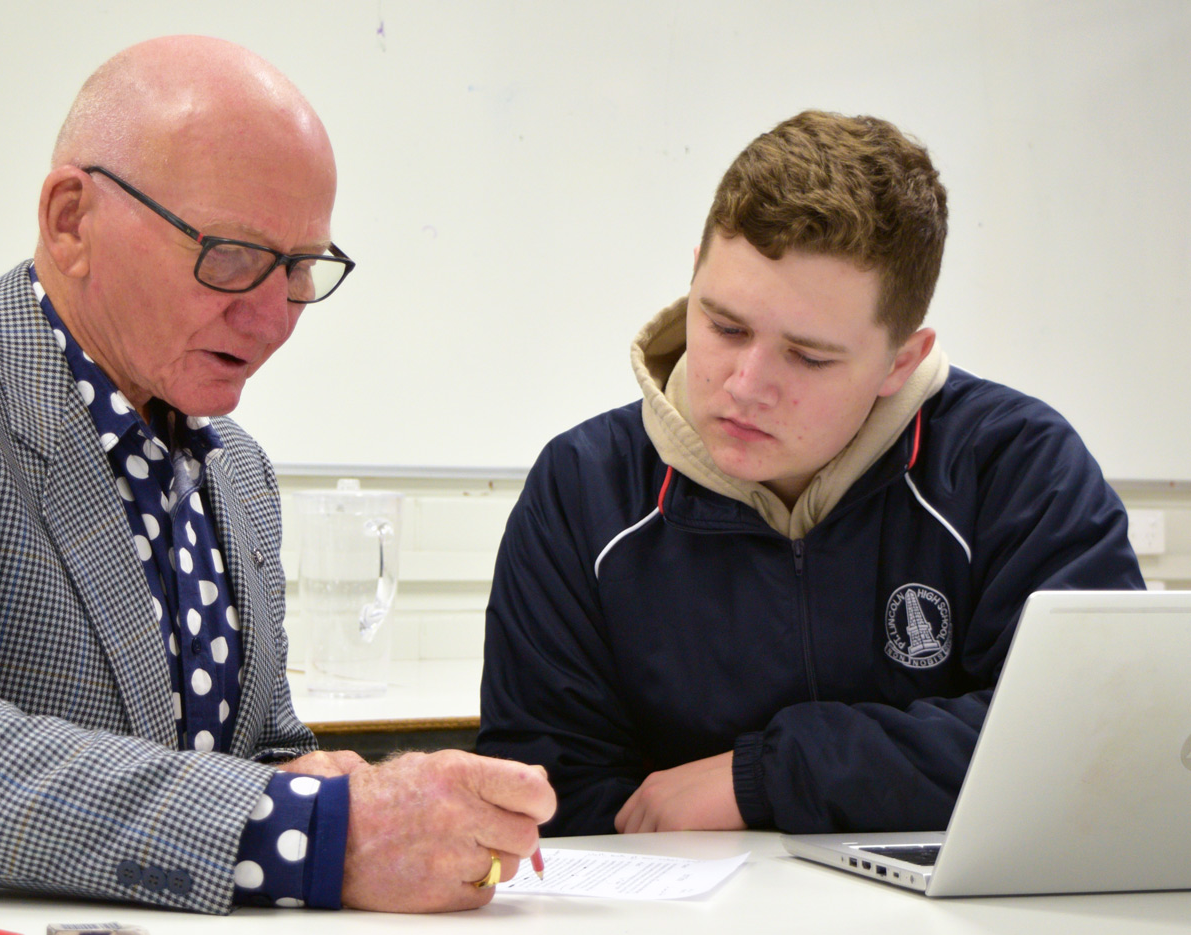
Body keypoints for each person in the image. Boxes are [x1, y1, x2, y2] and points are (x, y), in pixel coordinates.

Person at [0, 35, 553, 914]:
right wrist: (316, 833)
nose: (274, 320)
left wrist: (335, 785)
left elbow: (248, 759)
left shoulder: (236, 472)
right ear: (71, 220)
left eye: (302, 267)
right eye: (230, 254)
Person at [477, 110, 1142, 837]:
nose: (745, 384)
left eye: (809, 356)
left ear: (901, 361)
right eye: (725, 326)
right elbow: (545, 796)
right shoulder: (581, 490)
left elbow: (1092, 739)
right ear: (694, 273)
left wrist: (765, 776)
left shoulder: (1018, 467)